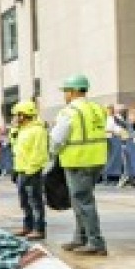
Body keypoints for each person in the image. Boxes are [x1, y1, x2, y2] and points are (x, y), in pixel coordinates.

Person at [51, 74, 109, 255]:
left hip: (77, 160)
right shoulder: (98, 109)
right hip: (96, 159)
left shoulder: (69, 112)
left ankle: (95, 241)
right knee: (81, 200)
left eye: (66, 91)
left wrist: (53, 153)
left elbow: (57, 138)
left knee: (83, 201)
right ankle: (80, 237)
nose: (65, 95)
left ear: (74, 91)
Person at [11, 101, 49, 240]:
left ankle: (39, 229)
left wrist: (31, 170)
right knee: (24, 201)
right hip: (21, 170)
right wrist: (14, 131)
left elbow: (39, 153)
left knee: (35, 201)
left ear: (23, 115)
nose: (14, 118)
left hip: (32, 171)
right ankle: (28, 226)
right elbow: (17, 149)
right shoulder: (22, 130)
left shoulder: (38, 130)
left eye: (16, 115)